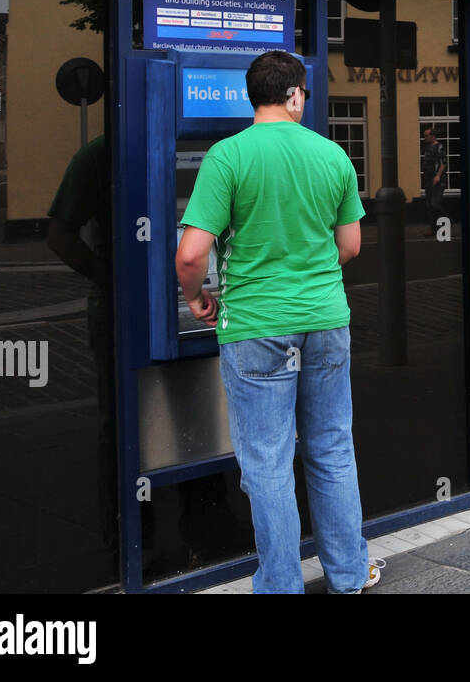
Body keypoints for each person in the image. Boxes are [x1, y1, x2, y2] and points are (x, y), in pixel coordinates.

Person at [174, 50, 379, 594]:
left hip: (256, 326)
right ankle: (348, 574)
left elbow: (192, 254)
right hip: (326, 320)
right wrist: (305, 272)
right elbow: (351, 246)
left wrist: (196, 297)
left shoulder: (227, 156)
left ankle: (282, 584)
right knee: (332, 448)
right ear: (293, 95)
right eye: (305, 94)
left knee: (266, 462)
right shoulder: (333, 154)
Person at [421, 126, 447, 236]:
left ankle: (447, 221)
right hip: (428, 180)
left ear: (432, 136)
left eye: (427, 136)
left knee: (434, 203)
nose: (425, 138)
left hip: (437, 181)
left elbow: (443, 162)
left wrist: (438, 176)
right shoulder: (428, 148)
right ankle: (434, 229)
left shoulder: (439, 147)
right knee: (429, 206)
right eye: (424, 136)